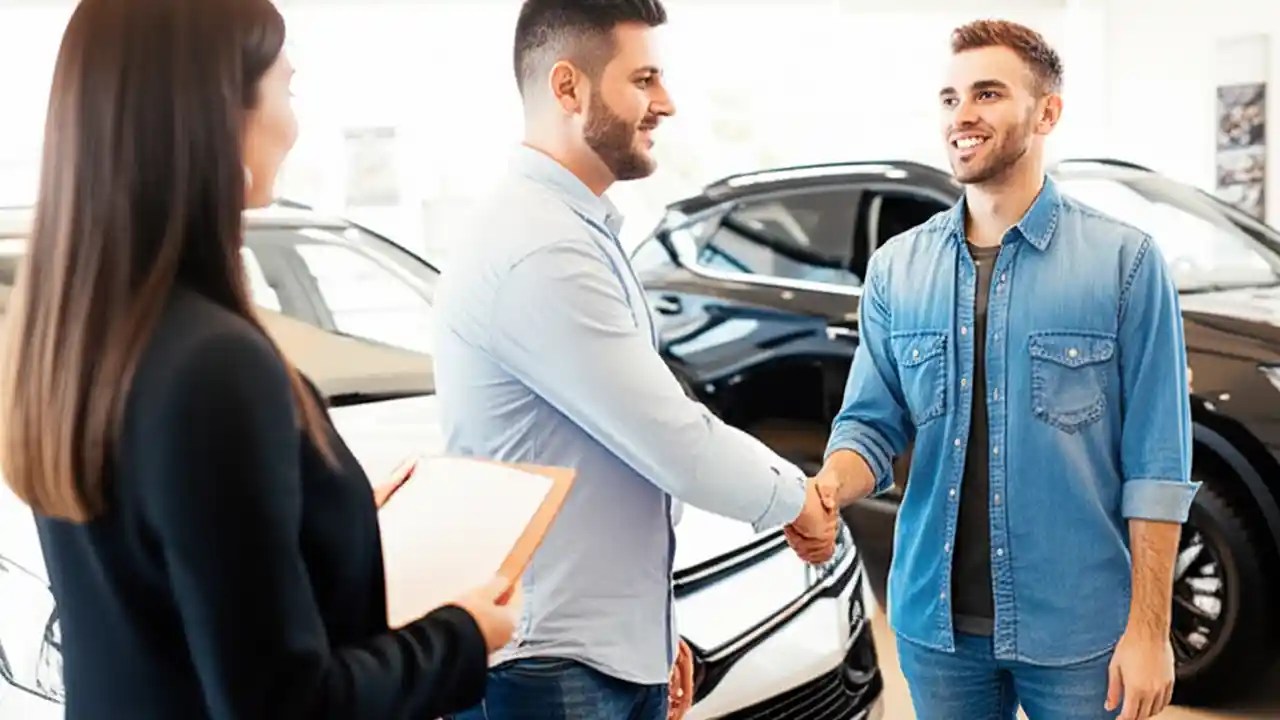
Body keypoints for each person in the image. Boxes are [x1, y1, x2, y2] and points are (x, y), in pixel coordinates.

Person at [0, 1, 515, 718]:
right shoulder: (214, 365)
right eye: (288, 86)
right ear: (217, 110)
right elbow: (282, 702)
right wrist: (461, 635)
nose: (295, 124)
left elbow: (166, 571)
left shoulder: (68, 344)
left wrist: (317, 522)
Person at [433, 1, 839, 717]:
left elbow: (607, 460)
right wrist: (794, 498)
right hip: (547, 666)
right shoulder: (541, 247)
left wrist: (646, 633)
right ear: (569, 88)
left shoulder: (566, 228)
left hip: (586, 650)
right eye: (644, 79)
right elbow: (669, 436)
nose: (667, 103)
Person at [811, 19, 1197, 720]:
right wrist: (831, 486)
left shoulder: (1125, 263)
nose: (962, 115)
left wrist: (1149, 631)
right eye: (951, 97)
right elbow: (872, 422)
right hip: (936, 630)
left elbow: (1158, 466)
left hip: (1080, 631)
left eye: (987, 94)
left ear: (1047, 111)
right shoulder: (899, 268)